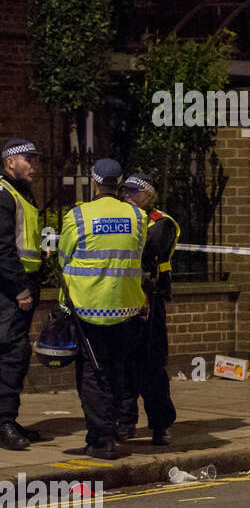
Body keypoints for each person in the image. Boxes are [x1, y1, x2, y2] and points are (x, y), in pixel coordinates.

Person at [59, 159, 148, 460]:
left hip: (88, 309)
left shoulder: (77, 216)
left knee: (93, 375)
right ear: (120, 183)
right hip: (125, 308)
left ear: (94, 182)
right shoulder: (138, 216)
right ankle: (116, 428)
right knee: (117, 371)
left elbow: (63, 258)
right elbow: (138, 254)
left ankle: (101, 439)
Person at [120, 173, 178, 446]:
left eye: (134, 192)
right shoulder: (120, 218)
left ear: (149, 195)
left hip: (149, 301)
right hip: (120, 300)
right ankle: (125, 421)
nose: (128, 196)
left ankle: (160, 424)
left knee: (151, 365)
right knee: (124, 364)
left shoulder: (161, 223)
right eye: (125, 191)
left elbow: (150, 252)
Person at [0, 139, 46, 451]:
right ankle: (4, 423)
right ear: (9, 161)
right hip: (9, 289)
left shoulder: (18, 193)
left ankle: (7, 419)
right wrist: (20, 289)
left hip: (18, 285)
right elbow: (2, 248)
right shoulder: (4, 195)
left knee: (15, 354)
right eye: (27, 158)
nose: (33, 164)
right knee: (11, 354)